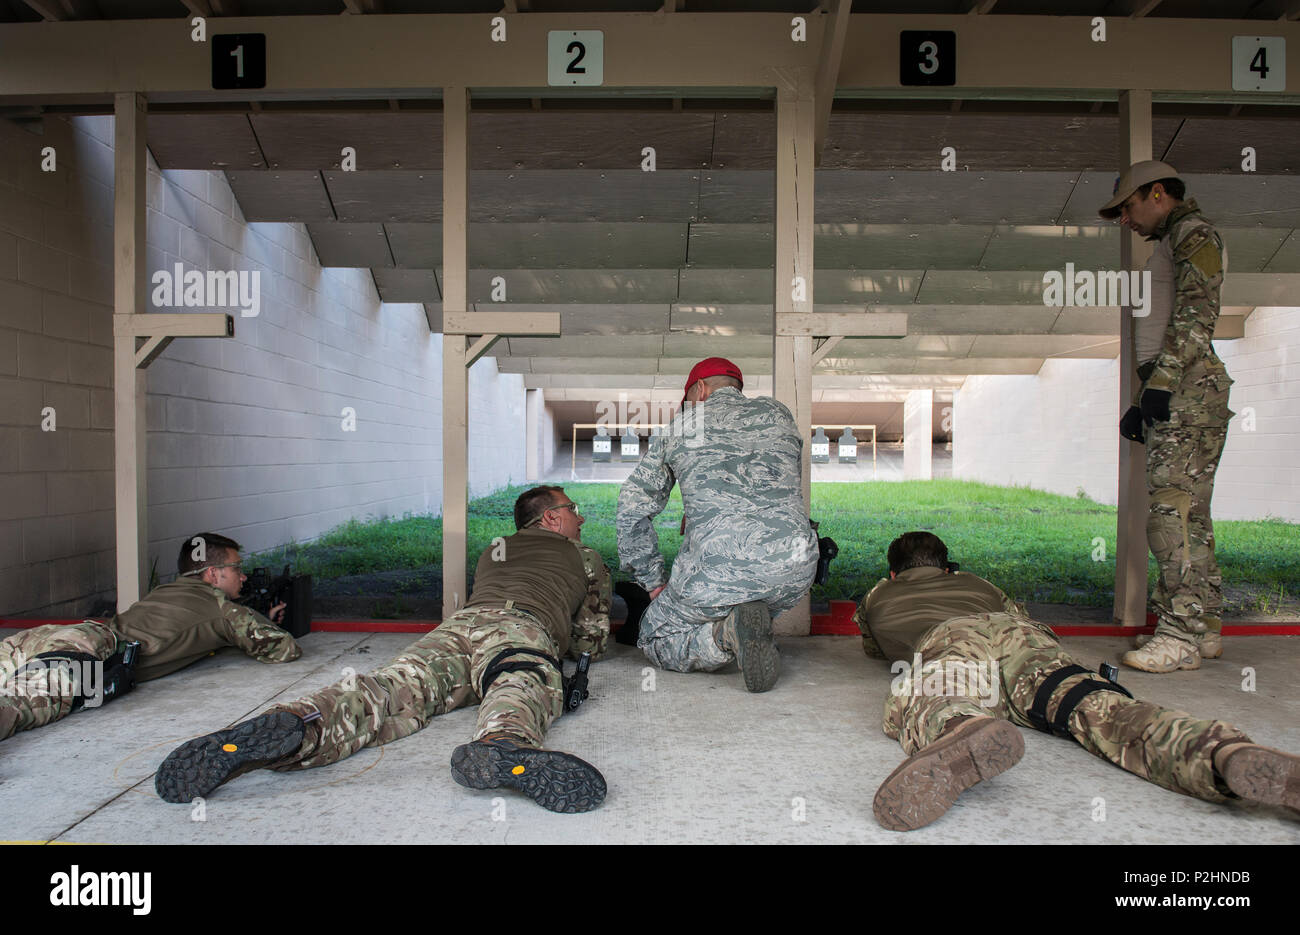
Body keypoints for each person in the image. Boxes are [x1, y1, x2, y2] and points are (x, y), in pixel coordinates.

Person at [155, 486, 612, 814]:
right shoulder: (585, 555)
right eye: (572, 509)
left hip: (457, 626)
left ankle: (300, 722)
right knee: (520, 677)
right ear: (551, 518)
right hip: (519, 625)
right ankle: (503, 745)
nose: (581, 518)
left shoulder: (493, 549)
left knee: (393, 687)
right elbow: (592, 638)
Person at [856, 531, 1300, 832]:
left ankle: (963, 727)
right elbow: (1016, 614)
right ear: (949, 569)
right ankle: (1220, 752)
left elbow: (875, 648)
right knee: (1096, 706)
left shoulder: (878, 595)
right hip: (1020, 636)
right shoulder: (978, 583)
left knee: (940, 694)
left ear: (894, 573)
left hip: (950, 639)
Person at [615, 357, 818, 692]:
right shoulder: (778, 414)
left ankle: (726, 636)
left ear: (700, 388)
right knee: (749, 586)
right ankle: (751, 624)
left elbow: (632, 509)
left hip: (717, 570)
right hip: (794, 569)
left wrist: (652, 580)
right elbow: (775, 484)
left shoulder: (683, 425)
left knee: (653, 635)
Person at [1101, 160, 1233, 673]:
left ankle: (1178, 635)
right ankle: (1204, 628)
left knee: (1170, 515)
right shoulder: (1172, 241)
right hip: (1177, 387)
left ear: (1158, 193)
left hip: (1185, 391)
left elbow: (1197, 316)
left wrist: (1159, 385)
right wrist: (1143, 396)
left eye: (1127, 207)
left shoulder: (1194, 234)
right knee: (1191, 517)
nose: (1124, 220)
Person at [0, 532, 301, 742]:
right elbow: (283, 649)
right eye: (237, 569)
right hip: (93, 651)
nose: (243, 576)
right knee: (18, 709)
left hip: (55, 637)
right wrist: (264, 623)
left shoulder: (169, 590)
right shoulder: (221, 608)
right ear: (213, 574)